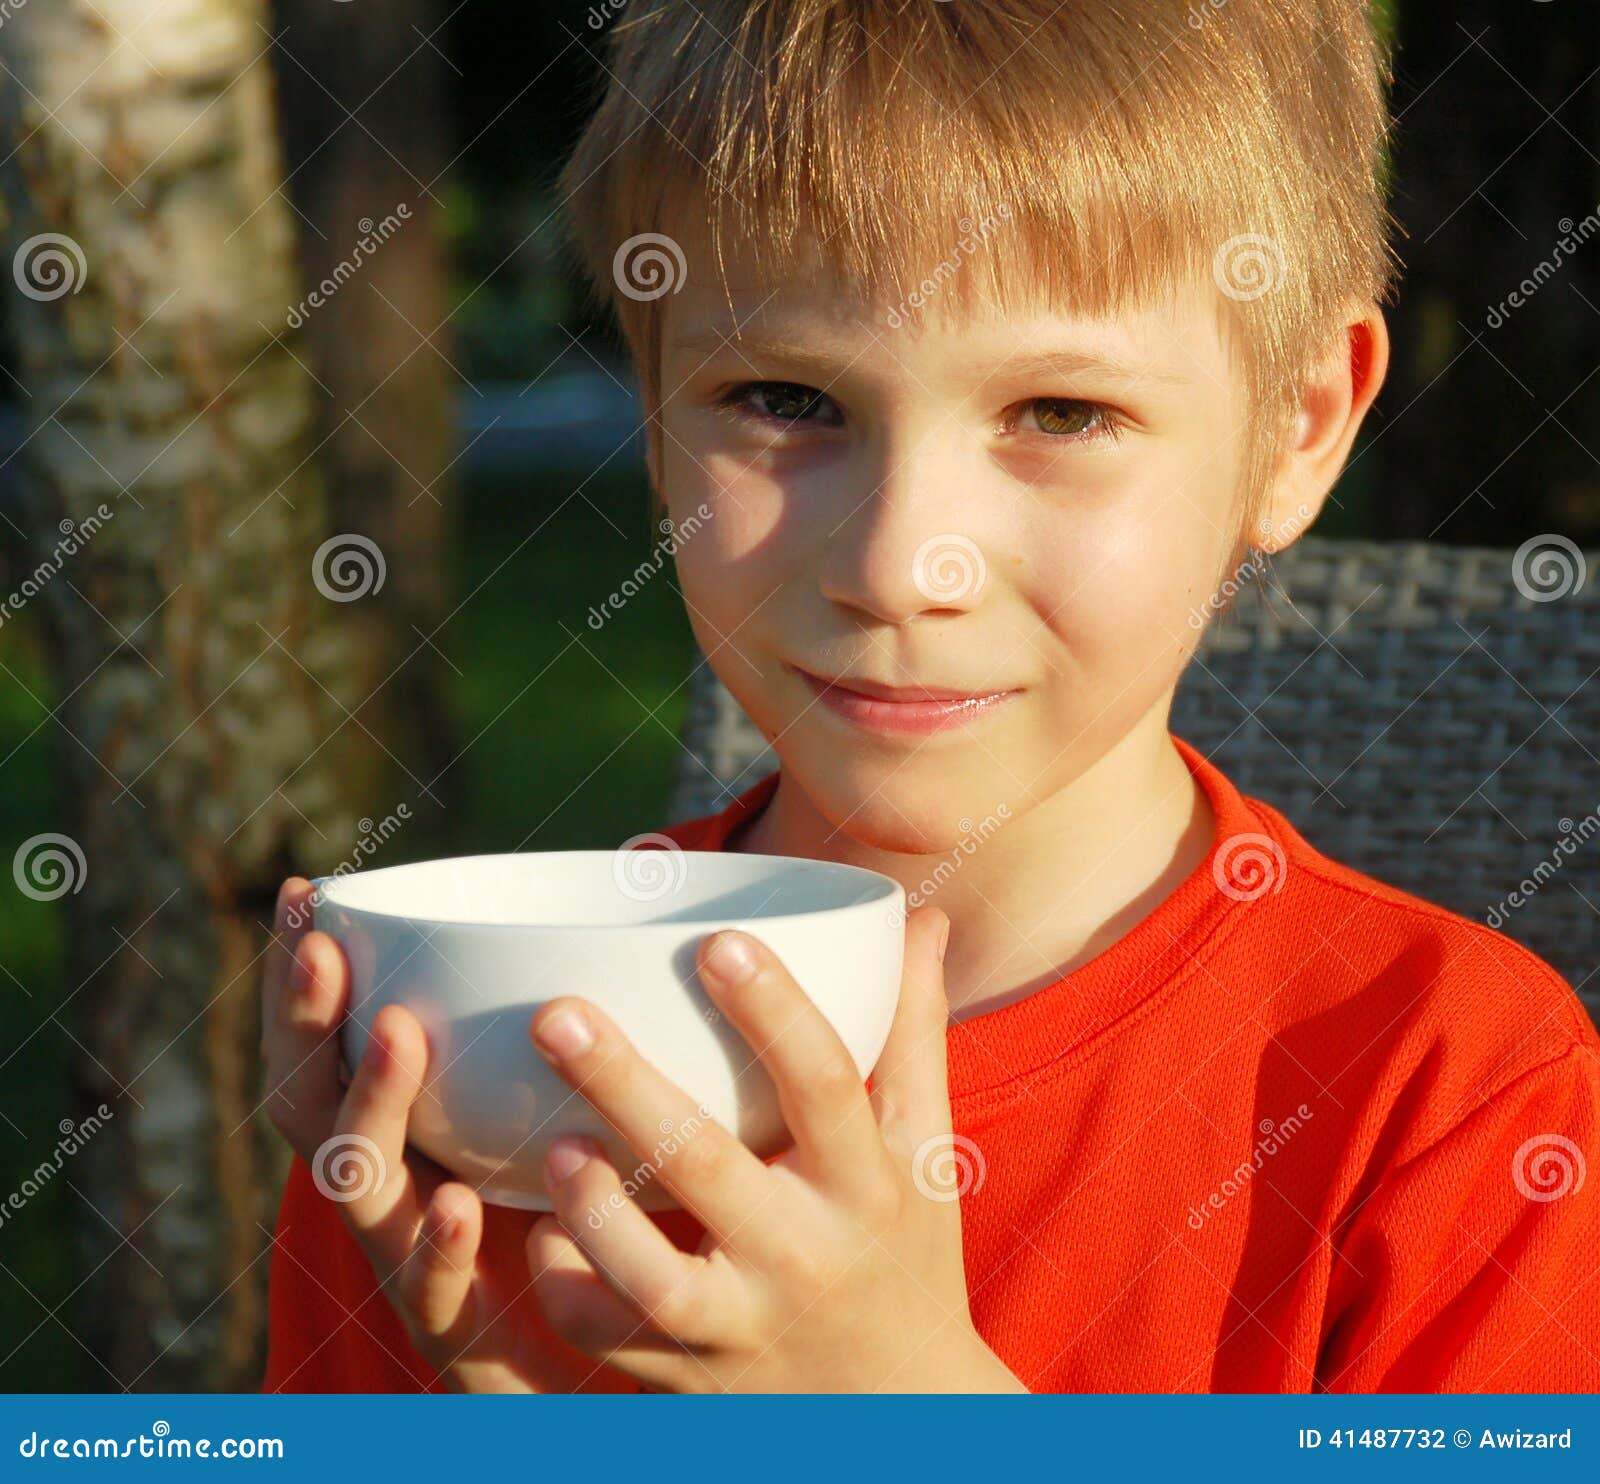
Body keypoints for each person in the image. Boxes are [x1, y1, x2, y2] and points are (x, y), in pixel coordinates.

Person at [260, 0, 1600, 1392]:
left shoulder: (1449, 1095)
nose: (903, 565)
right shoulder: (492, 1060)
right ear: (653, 408)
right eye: (785, 399)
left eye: (1061, 414)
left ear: (1301, 425)